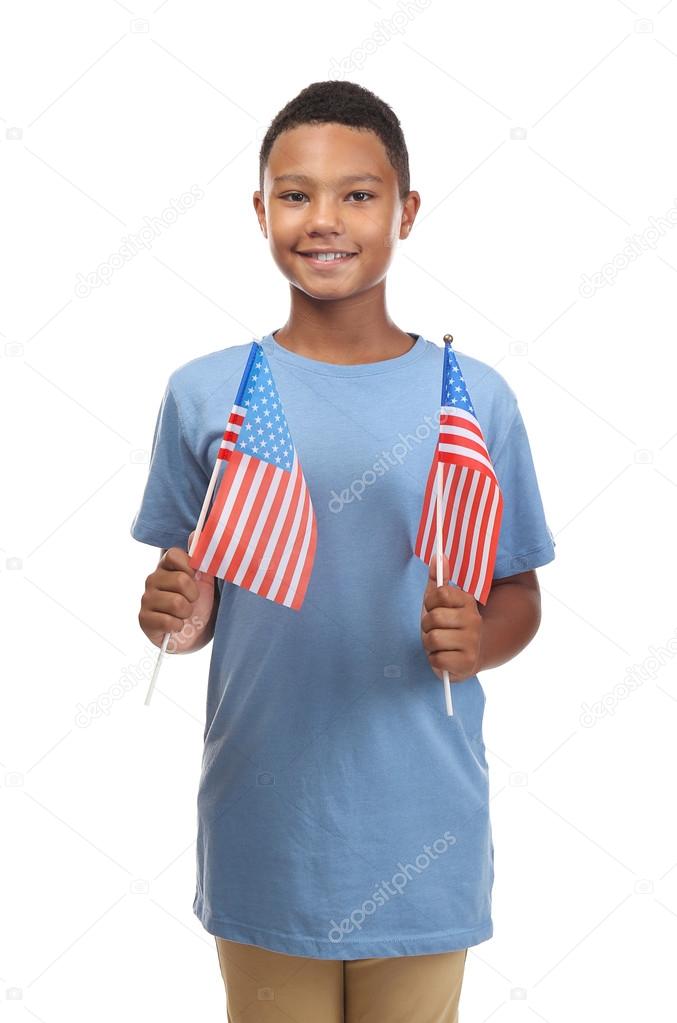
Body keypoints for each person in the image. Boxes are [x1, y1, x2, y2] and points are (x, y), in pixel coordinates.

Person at [131, 80, 556, 1023]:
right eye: (295, 194)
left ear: (405, 210)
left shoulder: (472, 398)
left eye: (358, 194)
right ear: (260, 211)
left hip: (421, 824)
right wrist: (176, 614)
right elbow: (187, 595)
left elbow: (518, 586)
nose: (323, 219)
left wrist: (479, 640)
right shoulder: (209, 394)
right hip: (264, 821)